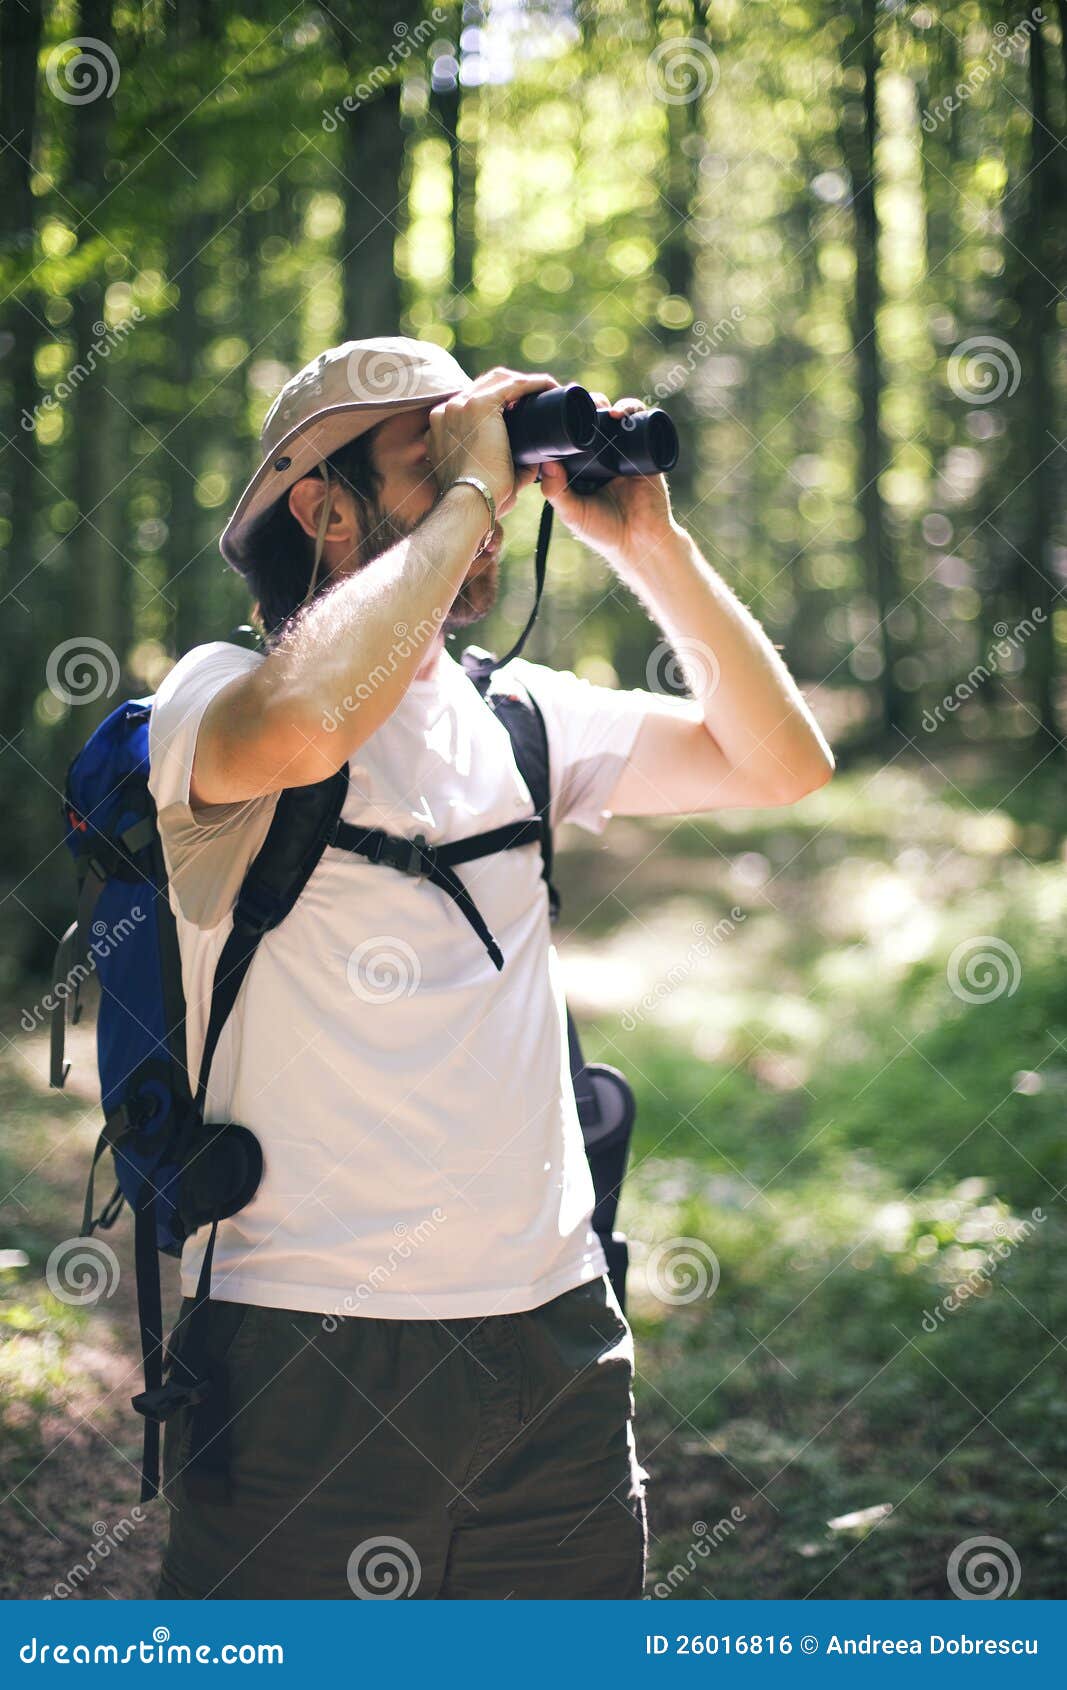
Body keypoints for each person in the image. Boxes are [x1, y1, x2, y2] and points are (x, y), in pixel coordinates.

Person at [150, 336, 833, 1600]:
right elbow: (306, 724)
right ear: (321, 504)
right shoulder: (213, 695)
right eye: (432, 455)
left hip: (556, 1340)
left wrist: (646, 547)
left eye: (489, 458)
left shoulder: (518, 715)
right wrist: (472, 490)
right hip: (307, 1340)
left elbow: (780, 765)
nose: (483, 490)